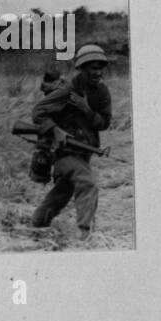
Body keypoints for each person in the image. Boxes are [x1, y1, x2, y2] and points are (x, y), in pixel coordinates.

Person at [30, 44, 112, 236]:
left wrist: (86, 109)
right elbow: (38, 113)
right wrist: (56, 131)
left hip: (84, 151)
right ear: (82, 69)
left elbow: (103, 123)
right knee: (87, 183)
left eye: (100, 68)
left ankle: (37, 224)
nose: (98, 72)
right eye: (93, 68)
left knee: (63, 192)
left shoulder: (101, 92)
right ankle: (84, 233)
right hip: (63, 151)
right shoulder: (67, 90)